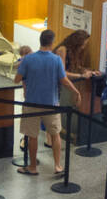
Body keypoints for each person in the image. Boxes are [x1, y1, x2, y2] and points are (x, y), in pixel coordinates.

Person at [13, 29, 81, 176]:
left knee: (32, 136)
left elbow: (17, 79)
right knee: (55, 135)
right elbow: (64, 80)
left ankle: (32, 167)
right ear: (52, 42)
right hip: (51, 104)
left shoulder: (28, 59)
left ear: (40, 41)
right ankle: (57, 166)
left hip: (32, 103)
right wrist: (76, 91)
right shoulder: (56, 60)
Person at [54, 30, 98, 146]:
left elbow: (75, 66)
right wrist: (81, 76)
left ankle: (58, 134)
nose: (83, 47)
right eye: (83, 44)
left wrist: (85, 70)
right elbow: (62, 72)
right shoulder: (62, 50)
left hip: (62, 85)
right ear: (76, 43)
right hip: (53, 84)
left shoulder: (73, 51)